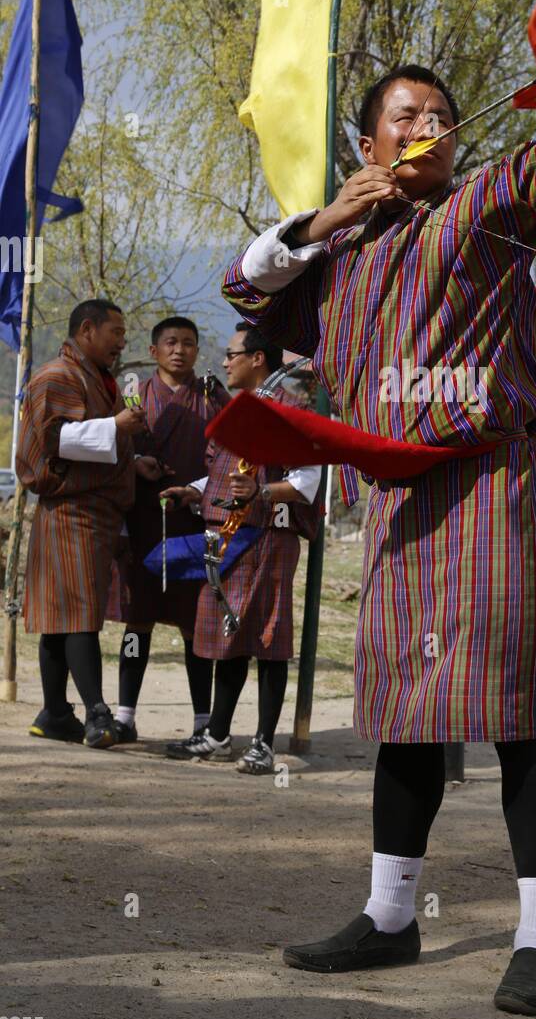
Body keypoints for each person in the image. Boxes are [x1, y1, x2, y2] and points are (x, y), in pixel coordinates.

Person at [222, 0, 536, 1012]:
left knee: (514, 712)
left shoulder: (491, 203)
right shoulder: (336, 257)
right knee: (405, 718)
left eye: (436, 116)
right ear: (364, 144)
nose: (422, 129)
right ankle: (389, 917)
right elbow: (243, 289)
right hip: (397, 504)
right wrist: (326, 217)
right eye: (400, 118)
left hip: (488, 487)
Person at [162, 324, 320, 774]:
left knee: (268, 639)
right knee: (229, 640)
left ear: (257, 359)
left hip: (269, 537)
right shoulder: (237, 411)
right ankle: (217, 734)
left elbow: (307, 481)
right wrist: (195, 491)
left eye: (232, 354)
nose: (225, 362)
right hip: (227, 538)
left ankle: (264, 744)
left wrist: (261, 494)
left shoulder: (291, 408)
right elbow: (221, 474)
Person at [18, 299, 163, 747]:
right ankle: (98, 714)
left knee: (61, 615)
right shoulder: (59, 375)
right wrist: (118, 426)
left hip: (93, 511)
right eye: (115, 333)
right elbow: (58, 439)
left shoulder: (96, 378)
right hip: (72, 510)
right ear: (86, 330)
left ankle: (55, 712)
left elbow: (93, 440)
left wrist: (132, 462)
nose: (122, 342)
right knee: (78, 613)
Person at [106, 315, 229, 745]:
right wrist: (135, 464)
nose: (180, 350)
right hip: (144, 523)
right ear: (155, 349)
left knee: (196, 626)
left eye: (189, 343)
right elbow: (113, 449)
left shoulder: (213, 397)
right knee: (137, 624)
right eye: (171, 342)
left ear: (198, 351)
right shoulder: (133, 393)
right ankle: (124, 715)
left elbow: (229, 457)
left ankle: (201, 719)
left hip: (194, 527)